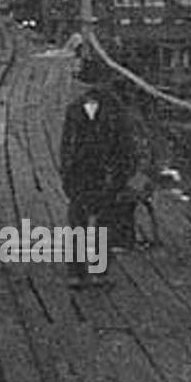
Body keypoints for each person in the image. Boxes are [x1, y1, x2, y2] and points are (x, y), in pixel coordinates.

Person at [59, 78, 134, 283]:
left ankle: (86, 272)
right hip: (87, 173)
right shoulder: (112, 112)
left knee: (91, 223)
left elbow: (66, 147)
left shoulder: (79, 110)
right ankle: (85, 272)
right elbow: (124, 146)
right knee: (92, 224)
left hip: (100, 173)